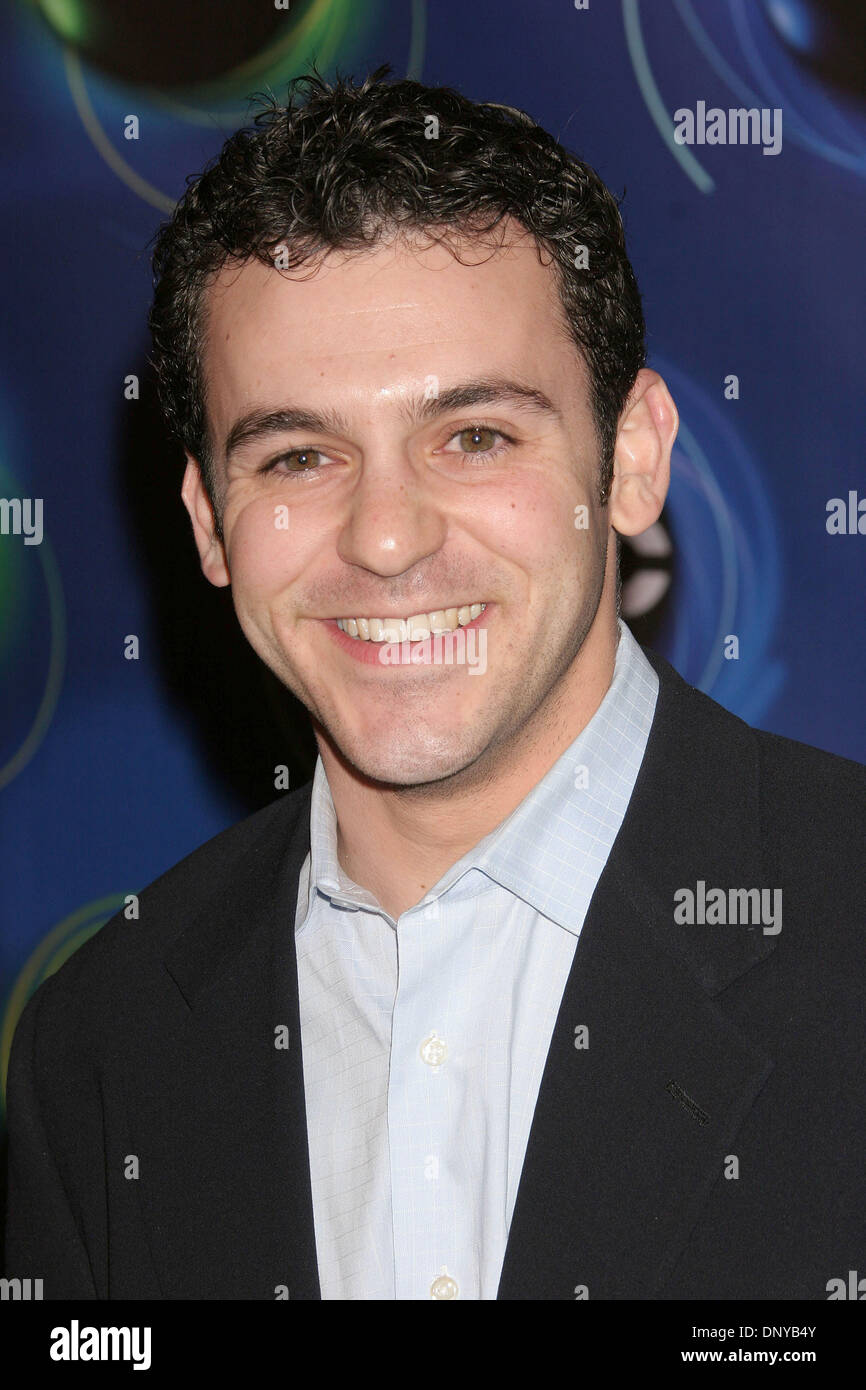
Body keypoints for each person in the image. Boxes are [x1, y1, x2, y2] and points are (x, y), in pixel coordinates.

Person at [5, 65, 865, 1302]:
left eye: (472, 436)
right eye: (298, 455)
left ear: (630, 460)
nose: (387, 539)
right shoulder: (102, 1043)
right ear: (207, 522)